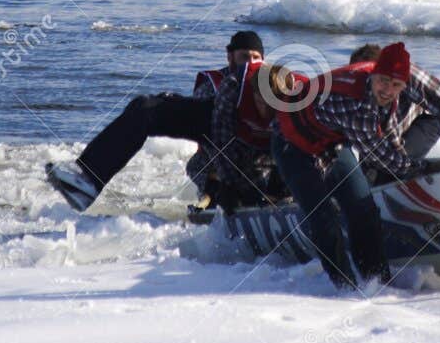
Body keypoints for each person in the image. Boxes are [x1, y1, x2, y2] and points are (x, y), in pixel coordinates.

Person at [271, 42, 440, 288]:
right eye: (383, 81)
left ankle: (376, 281)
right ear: (373, 73)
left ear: (407, 82)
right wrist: (421, 172)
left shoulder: (414, 77)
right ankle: (345, 287)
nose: (388, 90)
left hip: (333, 138)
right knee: (323, 216)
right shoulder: (356, 103)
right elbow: (386, 158)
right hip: (293, 141)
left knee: (364, 210)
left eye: (396, 85)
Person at [46, 30, 285, 212]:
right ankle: (89, 179)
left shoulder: (273, 85)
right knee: (143, 109)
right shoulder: (214, 87)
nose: (251, 64)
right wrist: (225, 186)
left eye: (256, 58)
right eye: (245, 57)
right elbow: (217, 144)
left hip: (263, 165)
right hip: (218, 164)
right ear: (230, 57)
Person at [349, 43, 440, 161]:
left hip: (426, 122)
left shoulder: (398, 87)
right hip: (391, 132)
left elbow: (391, 135)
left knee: (389, 163)